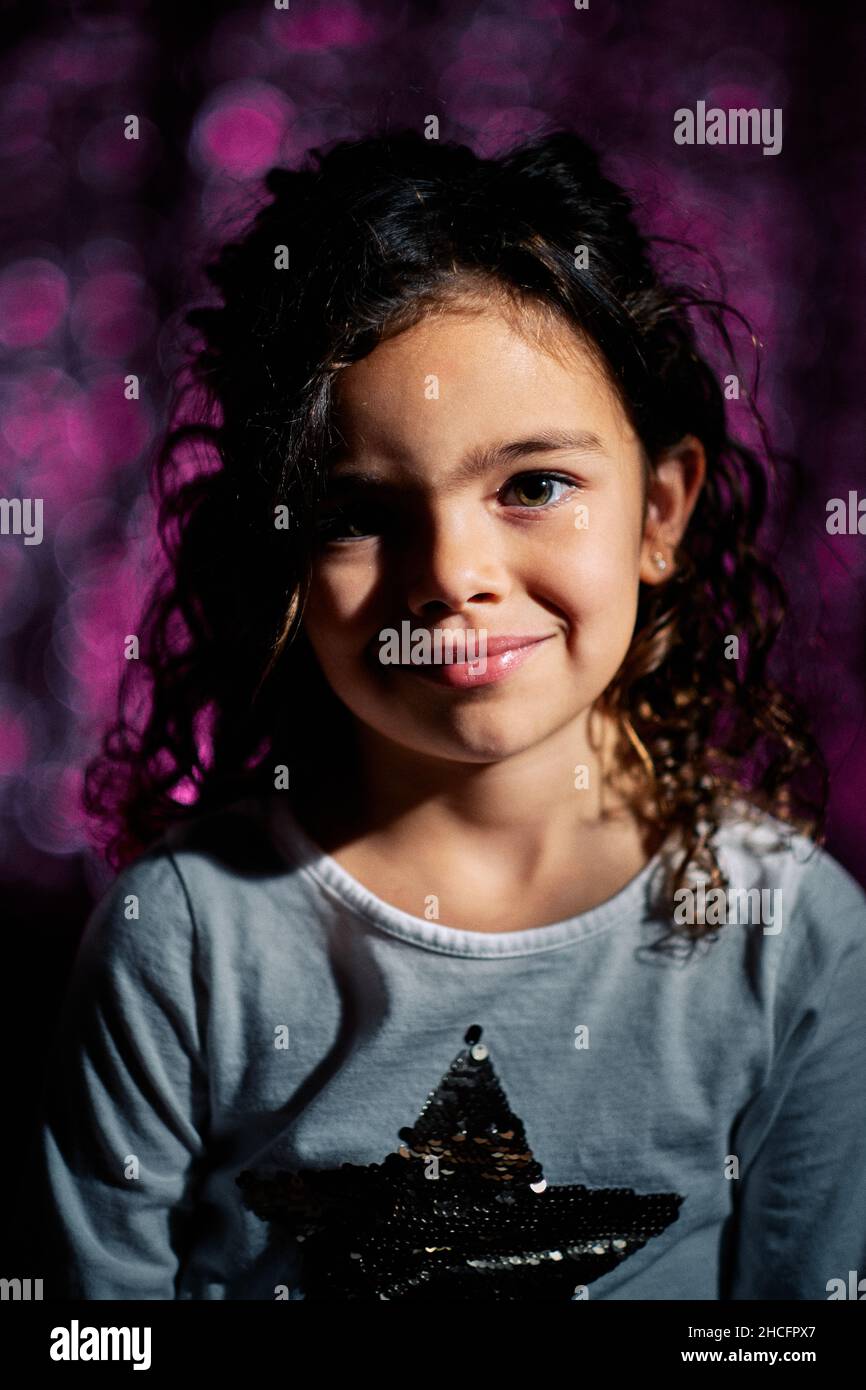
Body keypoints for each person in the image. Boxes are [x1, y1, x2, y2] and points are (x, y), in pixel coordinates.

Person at [38, 128, 866, 1301]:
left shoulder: (793, 940)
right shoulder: (182, 937)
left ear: (659, 512)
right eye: (357, 512)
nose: (449, 574)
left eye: (532, 485)